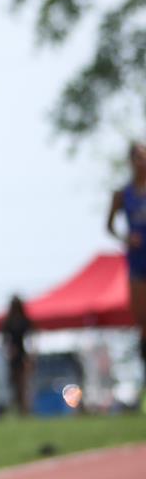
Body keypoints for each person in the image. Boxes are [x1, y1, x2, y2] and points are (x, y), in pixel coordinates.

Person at [106, 140, 146, 361]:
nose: (141, 161)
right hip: (138, 262)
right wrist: (126, 238)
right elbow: (109, 226)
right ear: (131, 162)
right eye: (137, 157)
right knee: (142, 322)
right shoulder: (123, 195)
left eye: (144, 156)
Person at [0, 295, 33, 416]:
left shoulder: (25, 321)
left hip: (23, 356)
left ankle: (25, 409)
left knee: (24, 384)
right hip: (13, 357)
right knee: (15, 384)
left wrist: (30, 356)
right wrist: (9, 351)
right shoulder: (8, 323)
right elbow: (4, 341)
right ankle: (19, 408)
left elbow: (30, 339)